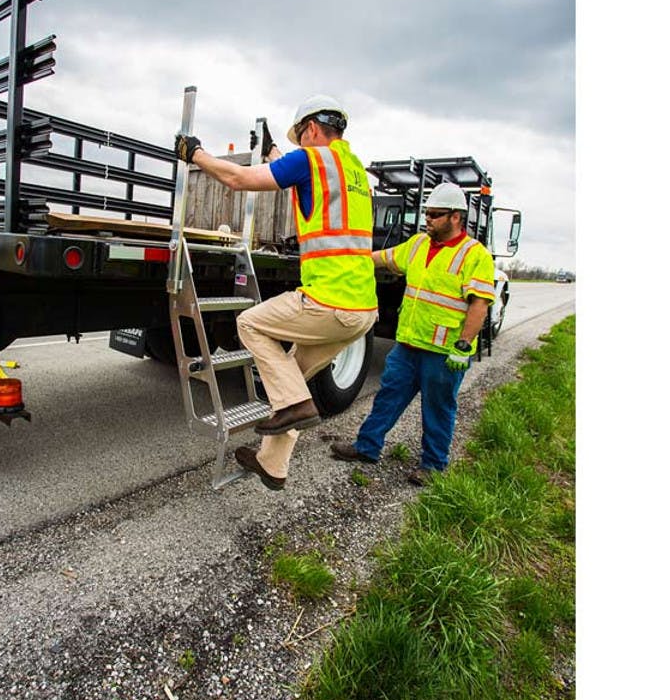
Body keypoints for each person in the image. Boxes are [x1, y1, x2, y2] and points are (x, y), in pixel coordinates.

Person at [174, 95, 378, 491]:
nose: (300, 145)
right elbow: (290, 166)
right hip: (362, 310)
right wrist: (272, 151)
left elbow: (239, 180)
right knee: (290, 377)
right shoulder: (352, 170)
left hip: (328, 301)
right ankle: (273, 465)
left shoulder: (310, 160)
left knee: (249, 323)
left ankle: (294, 406)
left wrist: (195, 153)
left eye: (301, 137)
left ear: (313, 129)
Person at [330, 181, 496, 484]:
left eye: (435, 214)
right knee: (388, 397)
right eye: (427, 214)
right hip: (408, 345)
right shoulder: (419, 244)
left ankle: (433, 466)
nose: (428, 219)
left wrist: (463, 345)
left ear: (455, 217)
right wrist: (350, 256)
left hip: (444, 352)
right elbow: (383, 258)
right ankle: (367, 447)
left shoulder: (475, 255)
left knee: (438, 410)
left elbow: (479, 305)